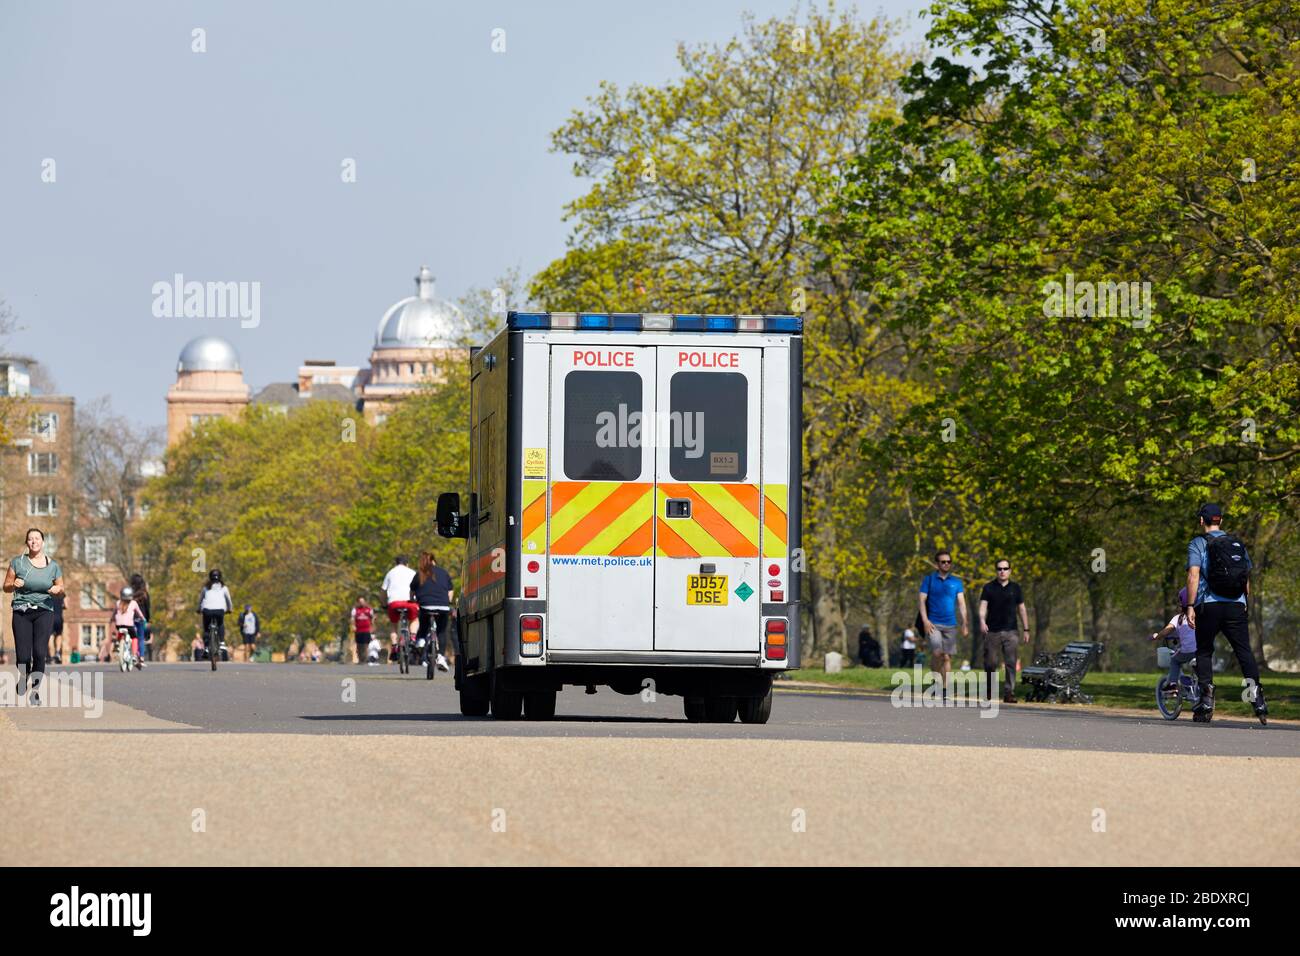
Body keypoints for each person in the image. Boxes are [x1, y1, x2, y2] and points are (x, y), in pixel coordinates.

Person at [1186, 503, 1266, 723]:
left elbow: (1193, 576)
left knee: (1204, 651)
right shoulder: (1237, 543)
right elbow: (1245, 578)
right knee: (1244, 652)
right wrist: (1244, 601)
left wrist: (1190, 605)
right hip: (1236, 605)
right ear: (1220, 520)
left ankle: (1206, 700)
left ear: (1202, 521)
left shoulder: (1198, 543)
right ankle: (1257, 698)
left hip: (1209, 605)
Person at [3, 528, 65, 704]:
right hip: (21, 611)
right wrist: (13, 584)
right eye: (30, 539)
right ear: (26, 543)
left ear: (43, 542)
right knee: (23, 656)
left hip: (44, 611)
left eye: (37, 539)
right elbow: (5, 586)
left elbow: (62, 588)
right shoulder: (18, 562)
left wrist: (57, 589)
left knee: (39, 653)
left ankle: (35, 690)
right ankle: (24, 676)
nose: (34, 542)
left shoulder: (53, 566)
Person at [978, 559, 1030, 703]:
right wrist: (982, 621)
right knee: (990, 663)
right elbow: (982, 608)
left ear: (1010, 571)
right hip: (992, 631)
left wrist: (1026, 629)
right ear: (996, 571)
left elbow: (1022, 609)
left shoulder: (1016, 588)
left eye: (1005, 568)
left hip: (1011, 631)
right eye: (999, 569)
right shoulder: (988, 587)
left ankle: (1009, 692)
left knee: (1011, 663)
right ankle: (990, 691)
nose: (1002, 571)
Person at [918, 549, 968, 692]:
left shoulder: (956, 582)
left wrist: (965, 622)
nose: (946, 564)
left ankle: (945, 688)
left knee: (947, 658)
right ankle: (936, 681)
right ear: (937, 564)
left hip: (951, 625)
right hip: (933, 623)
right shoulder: (929, 580)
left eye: (948, 562)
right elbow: (921, 601)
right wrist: (925, 621)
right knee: (937, 653)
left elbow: (961, 603)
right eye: (943, 562)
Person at [412, 551, 454, 673]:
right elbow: (450, 592)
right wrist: (447, 601)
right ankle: (440, 656)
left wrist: (413, 600)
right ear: (434, 561)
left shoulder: (419, 573)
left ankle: (420, 641)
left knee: (424, 624)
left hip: (426, 606)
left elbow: (412, 591)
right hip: (443, 607)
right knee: (441, 632)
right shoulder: (444, 573)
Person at [1152, 587, 1197, 693]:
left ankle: (1172, 685)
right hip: (1202, 651)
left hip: (1188, 652)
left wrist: (1156, 636)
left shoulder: (1178, 618)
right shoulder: (1202, 615)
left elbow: (1166, 631)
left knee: (1175, 660)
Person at [381, 554, 420, 646]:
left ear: (396, 563)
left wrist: (384, 604)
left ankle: (394, 645)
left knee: (393, 624)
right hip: (410, 603)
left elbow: (382, 592)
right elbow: (419, 588)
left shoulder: (390, 573)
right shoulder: (413, 572)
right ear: (407, 563)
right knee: (414, 619)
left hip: (394, 603)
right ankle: (413, 637)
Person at [198, 568, 234, 661]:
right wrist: (230, 609)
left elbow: (200, 600)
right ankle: (222, 643)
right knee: (220, 624)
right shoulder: (224, 588)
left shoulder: (205, 588)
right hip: (220, 611)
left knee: (206, 628)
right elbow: (228, 600)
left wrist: (198, 609)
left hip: (207, 611)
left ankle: (206, 648)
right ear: (220, 577)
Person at [109, 586, 146, 667]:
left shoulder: (118, 602)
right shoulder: (134, 603)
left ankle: (118, 644)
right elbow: (139, 613)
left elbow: (114, 613)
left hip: (119, 625)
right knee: (134, 638)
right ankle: (133, 655)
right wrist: (143, 619)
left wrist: (112, 620)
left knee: (120, 632)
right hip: (129, 626)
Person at [130, 573, 152, 662]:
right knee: (141, 637)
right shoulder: (145, 594)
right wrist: (149, 619)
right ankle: (141, 657)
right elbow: (147, 608)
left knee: (132, 636)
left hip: (130, 617)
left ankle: (133, 653)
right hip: (141, 618)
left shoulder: (130, 593)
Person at [351, 596, 374, 665]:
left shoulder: (369, 609)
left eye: (363, 601)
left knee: (366, 644)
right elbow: (352, 619)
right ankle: (360, 659)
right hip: (358, 630)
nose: (362, 603)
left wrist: (372, 626)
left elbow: (372, 618)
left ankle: (365, 658)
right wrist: (353, 625)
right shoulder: (355, 610)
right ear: (358, 602)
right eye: (360, 602)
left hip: (366, 630)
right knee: (359, 645)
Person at [50, 593, 65, 664]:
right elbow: (66, 605)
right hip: (59, 618)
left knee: (50, 636)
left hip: (50, 617)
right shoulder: (61, 594)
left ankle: (51, 657)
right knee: (59, 634)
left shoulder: (48, 593)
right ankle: (58, 653)